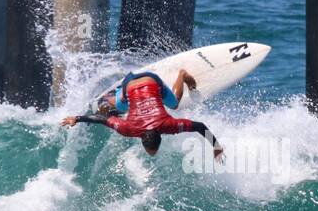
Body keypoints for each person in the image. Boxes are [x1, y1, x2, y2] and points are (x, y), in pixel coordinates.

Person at [61, 67, 224, 160]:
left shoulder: (169, 126)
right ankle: (182, 75)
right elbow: (103, 119)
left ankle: (114, 96)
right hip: (133, 83)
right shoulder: (128, 129)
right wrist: (76, 118)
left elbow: (200, 127)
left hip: (136, 81)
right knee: (173, 104)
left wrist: (216, 147)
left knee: (123, 108)